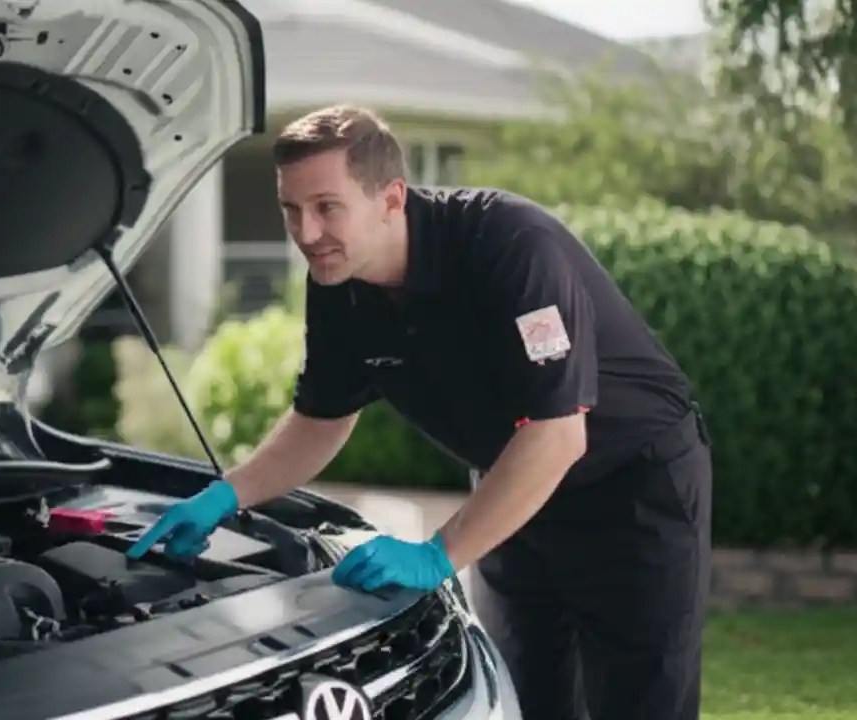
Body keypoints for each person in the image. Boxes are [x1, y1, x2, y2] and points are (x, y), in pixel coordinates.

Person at [127, 105, 712, 720]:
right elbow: (321, 420)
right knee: (523, 698)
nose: (306, 232)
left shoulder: (510, 244)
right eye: (290, 210)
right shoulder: (337, 282)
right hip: (511, 493)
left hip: (631, 490)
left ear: (391, 198)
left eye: (327, 206)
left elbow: (559, 433)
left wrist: (437, 553)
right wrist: (227, 496)